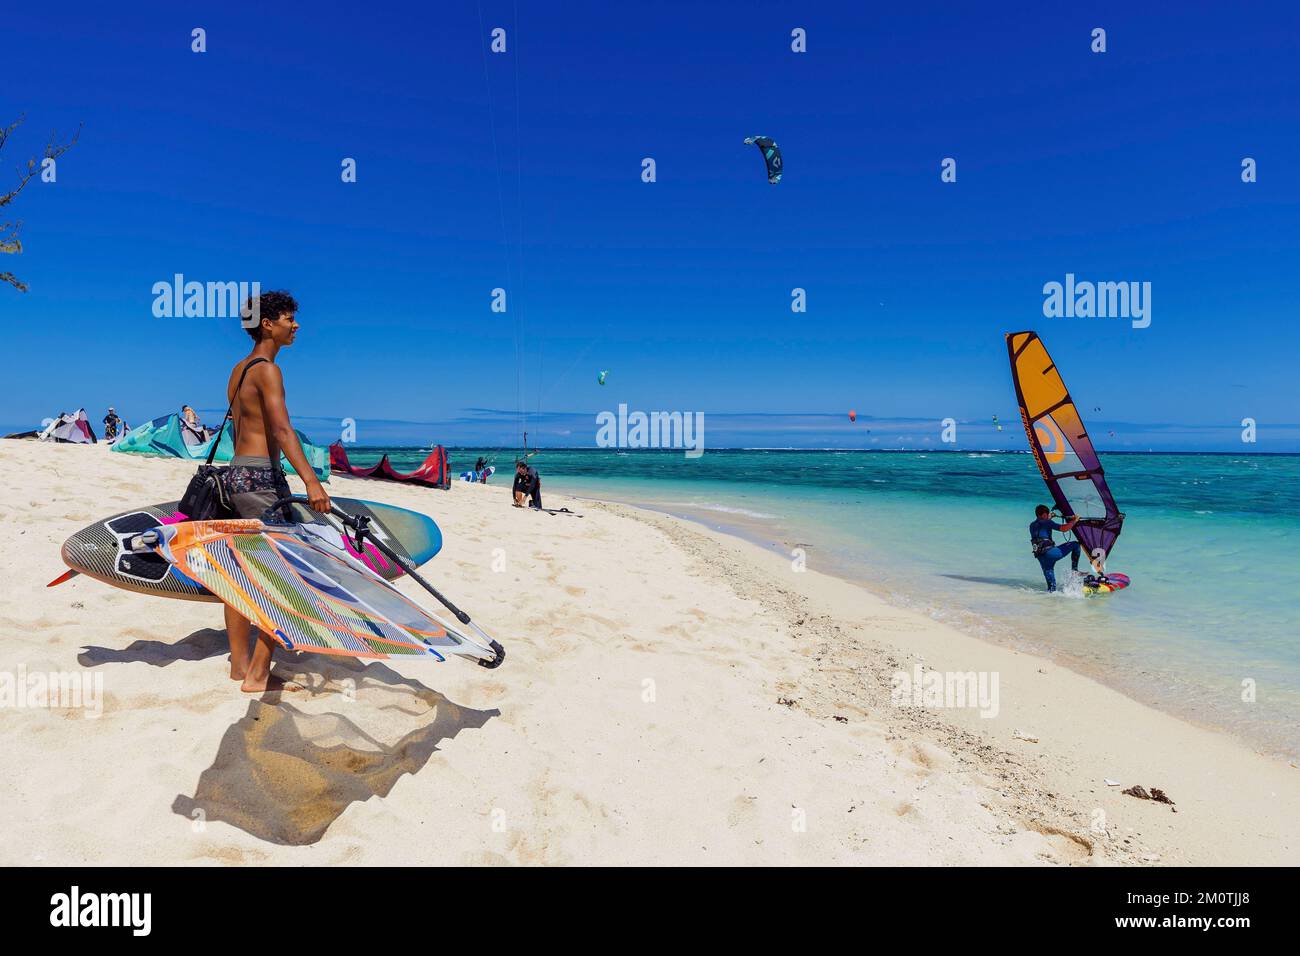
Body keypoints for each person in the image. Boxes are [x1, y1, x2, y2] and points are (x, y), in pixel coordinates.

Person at [223, 290, 330, 693]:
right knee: (284, 575)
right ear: (268, 324)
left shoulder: (238, 369)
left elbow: (240, 430)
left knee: (241, 573)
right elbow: (283, 431)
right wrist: (311, 480)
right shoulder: (268, 369)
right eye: (289, 318)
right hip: (262, 481)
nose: (296, 325)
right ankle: (258, 675)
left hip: (237, 476)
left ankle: (239, 664)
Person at [1029, 504, 1080, 592]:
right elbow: (1064, 528)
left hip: (1041, 557)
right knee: (1076, 544)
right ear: (1045, 514)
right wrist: (1074, 521)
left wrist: (1049, 518)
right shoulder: (1048, 522)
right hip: (1051, 553)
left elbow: (1042, 525)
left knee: (1052, 589)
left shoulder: (1032, 525)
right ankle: (1074, 572)